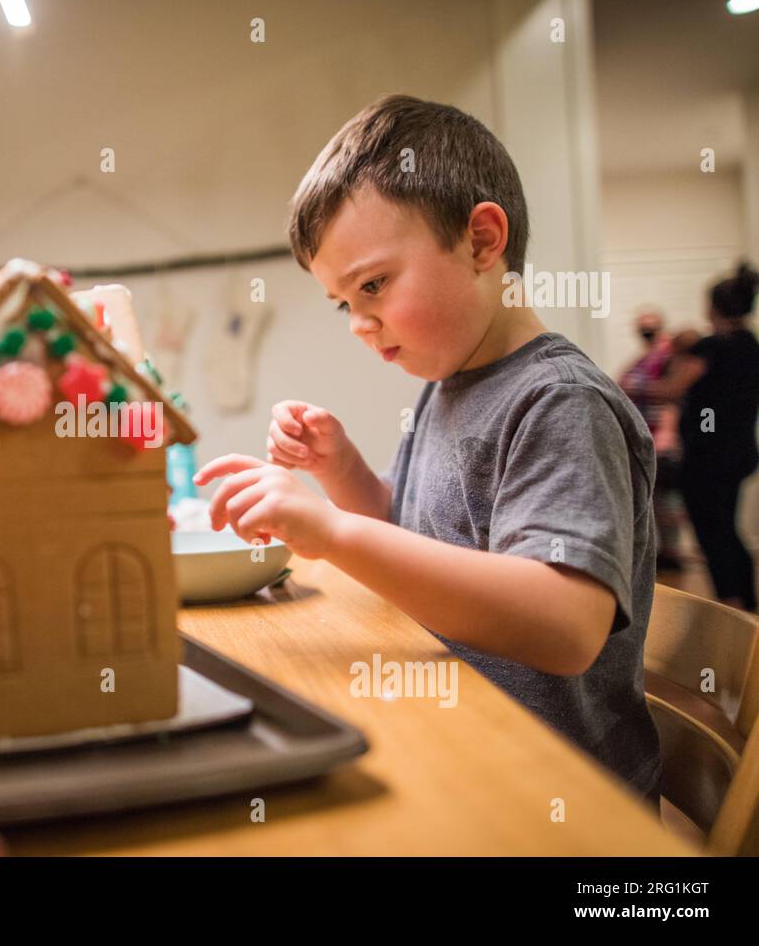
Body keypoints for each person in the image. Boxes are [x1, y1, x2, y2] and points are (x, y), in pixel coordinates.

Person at [194, 95, 661, 802]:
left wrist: (331, 530)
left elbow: (565, 626)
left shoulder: (560, 401)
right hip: (464, 746)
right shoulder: (450, 387)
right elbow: (414, 538)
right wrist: (341, 471)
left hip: (557, 796)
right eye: (345, 302)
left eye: (373, 285)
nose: (359, 323)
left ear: (481, 241)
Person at [653, 263, 759, 612]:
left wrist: (671, 356)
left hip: (707, 454)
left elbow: (671, 390)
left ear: (712, 307)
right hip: (739, 450)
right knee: (726, 526)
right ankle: (743, 600)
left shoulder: (710, 348)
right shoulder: (750, 344)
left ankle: (731, 605)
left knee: (712, 530)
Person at [617, 309, 684, 569]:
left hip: (661, 436)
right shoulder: (645, 357)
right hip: (646, 435)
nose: (645, 332)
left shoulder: (667, 355)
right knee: (654, 496)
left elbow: (673, 396)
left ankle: (672, 551)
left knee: (665, 497)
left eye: (650, 327)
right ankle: (663, 551)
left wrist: (668, 431)